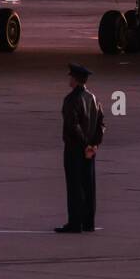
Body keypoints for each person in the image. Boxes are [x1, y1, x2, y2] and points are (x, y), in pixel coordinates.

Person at [57, 62, 104, 234]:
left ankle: (75, 223)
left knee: (74, 186)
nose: (68, 79)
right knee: (89, 185)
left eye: (70, 76)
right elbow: (101, 124)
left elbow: (73, 125)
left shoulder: (71, 100)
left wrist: (84, 145)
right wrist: (94, 145)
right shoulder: (93, 98)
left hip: (75, 149)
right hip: (90, 151)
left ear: (75, 79)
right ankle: (88, 222)